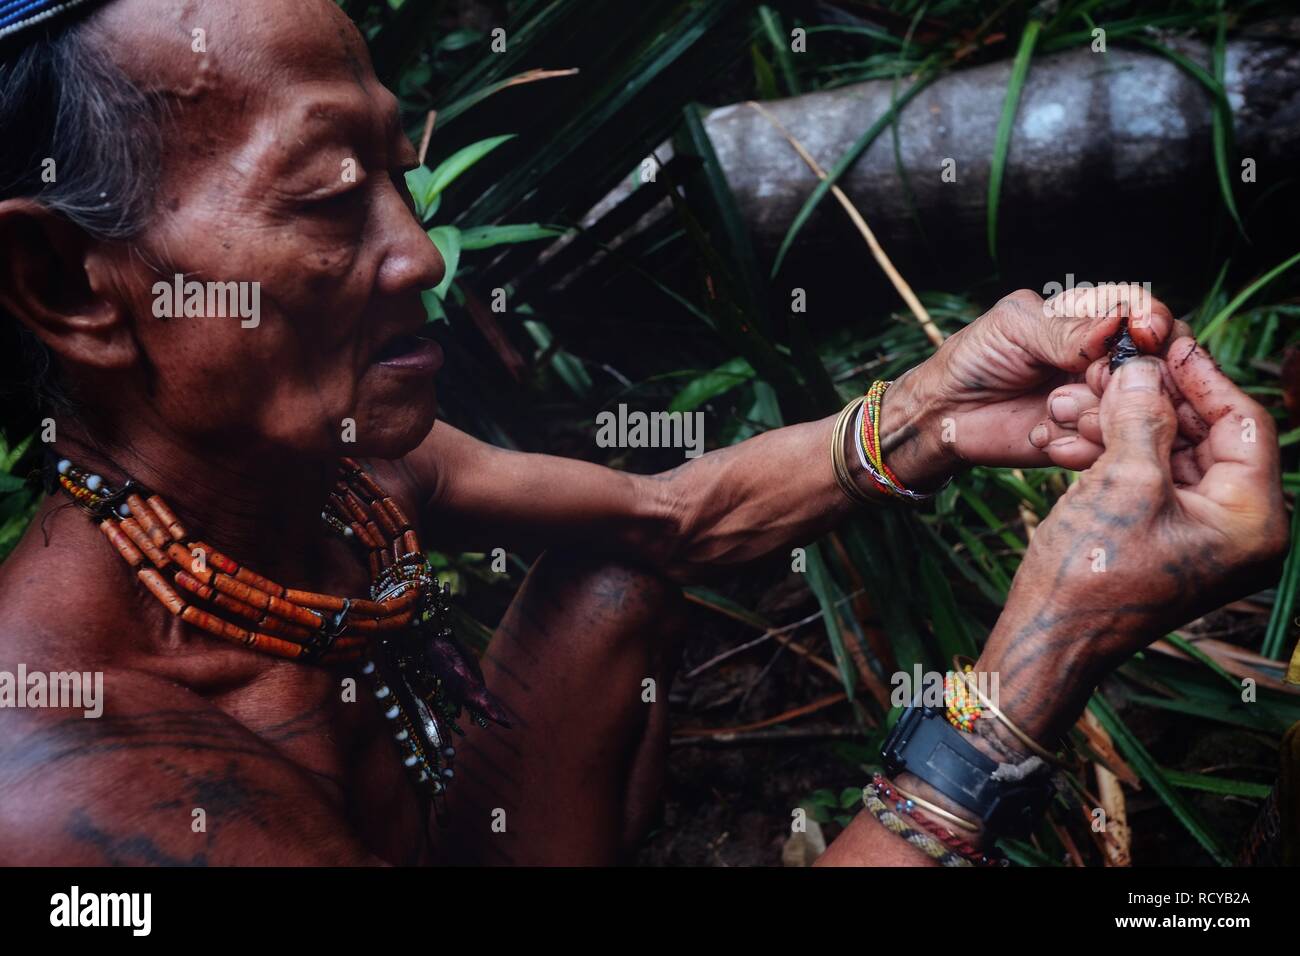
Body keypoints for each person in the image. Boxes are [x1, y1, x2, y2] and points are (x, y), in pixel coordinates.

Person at [0, 0, 1285, 865]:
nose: (423, 253)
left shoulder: (329, 468)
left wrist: (940, 408)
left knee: (616, 576)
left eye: (396, 169)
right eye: (330, 197)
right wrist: (1027, 671)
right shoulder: (108, 803)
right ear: (67, 282)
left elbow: (673, 513)